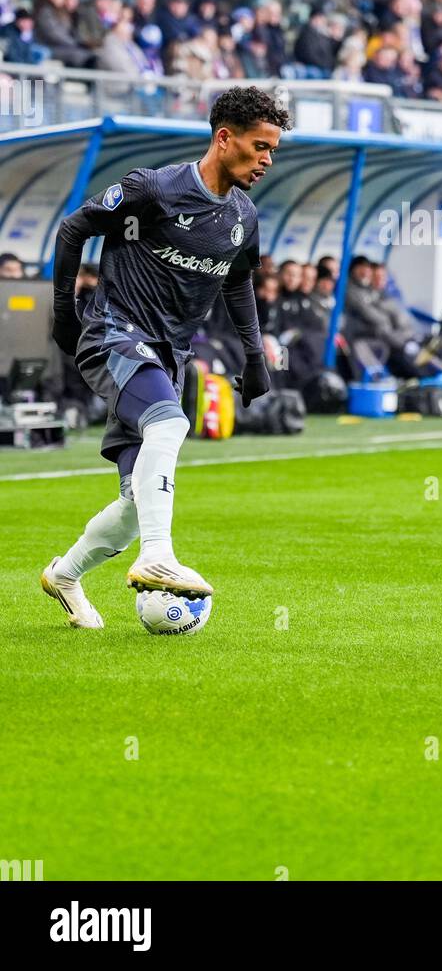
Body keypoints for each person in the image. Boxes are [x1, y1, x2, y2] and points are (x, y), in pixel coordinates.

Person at [43, 86, 291, 627]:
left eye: (273, 150)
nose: (268, 160)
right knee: (169, 423)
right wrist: (64, 311)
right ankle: (158, 555)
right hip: (114, 332)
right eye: (260, 146)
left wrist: (255, 356)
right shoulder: (154, 189)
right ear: (224, 138)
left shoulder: (243, 216)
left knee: (136, 504)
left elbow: (238, 281)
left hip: (167, 355)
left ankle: (64, 574)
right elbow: (74, 227)